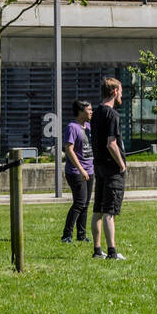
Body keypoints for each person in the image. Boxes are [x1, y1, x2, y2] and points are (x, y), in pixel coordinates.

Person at [90, 77, 127, 260]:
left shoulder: (96, 113)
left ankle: (97, 251)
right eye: (120, 91)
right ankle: (112, 252)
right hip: (112, 168)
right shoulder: (112, 115)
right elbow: (112, 143)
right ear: (114, 92)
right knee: (109, 211)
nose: (121, 94)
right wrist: (121, 163)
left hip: (99, 166)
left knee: (98, 209)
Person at [61, 99, 94, 242]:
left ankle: (81, 235)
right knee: (79, 203)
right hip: (76, 172)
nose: (91, 112)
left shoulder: (88, 126)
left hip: (90, 169)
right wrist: (80, 169)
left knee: (85, 203)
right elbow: (69, 149)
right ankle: (66, 235)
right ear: (81, 111)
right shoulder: (72, 127)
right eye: (89, 110)